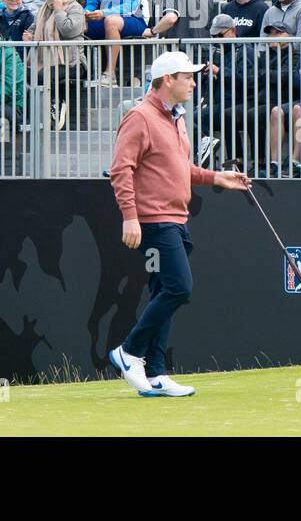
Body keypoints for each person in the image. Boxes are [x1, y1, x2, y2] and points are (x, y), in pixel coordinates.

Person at [107, 49, 250, 397]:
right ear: (167, 80)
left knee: (164, 292)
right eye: (187, 77)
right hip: (155, 223)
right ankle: (129, 352)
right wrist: (130, 217)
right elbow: (121, 169)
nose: (193, 83)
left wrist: (217, 177)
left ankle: (156, 373)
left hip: (176, 218)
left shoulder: (177, 118)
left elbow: (179, 168)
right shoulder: (140, 117)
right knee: (179, 288)